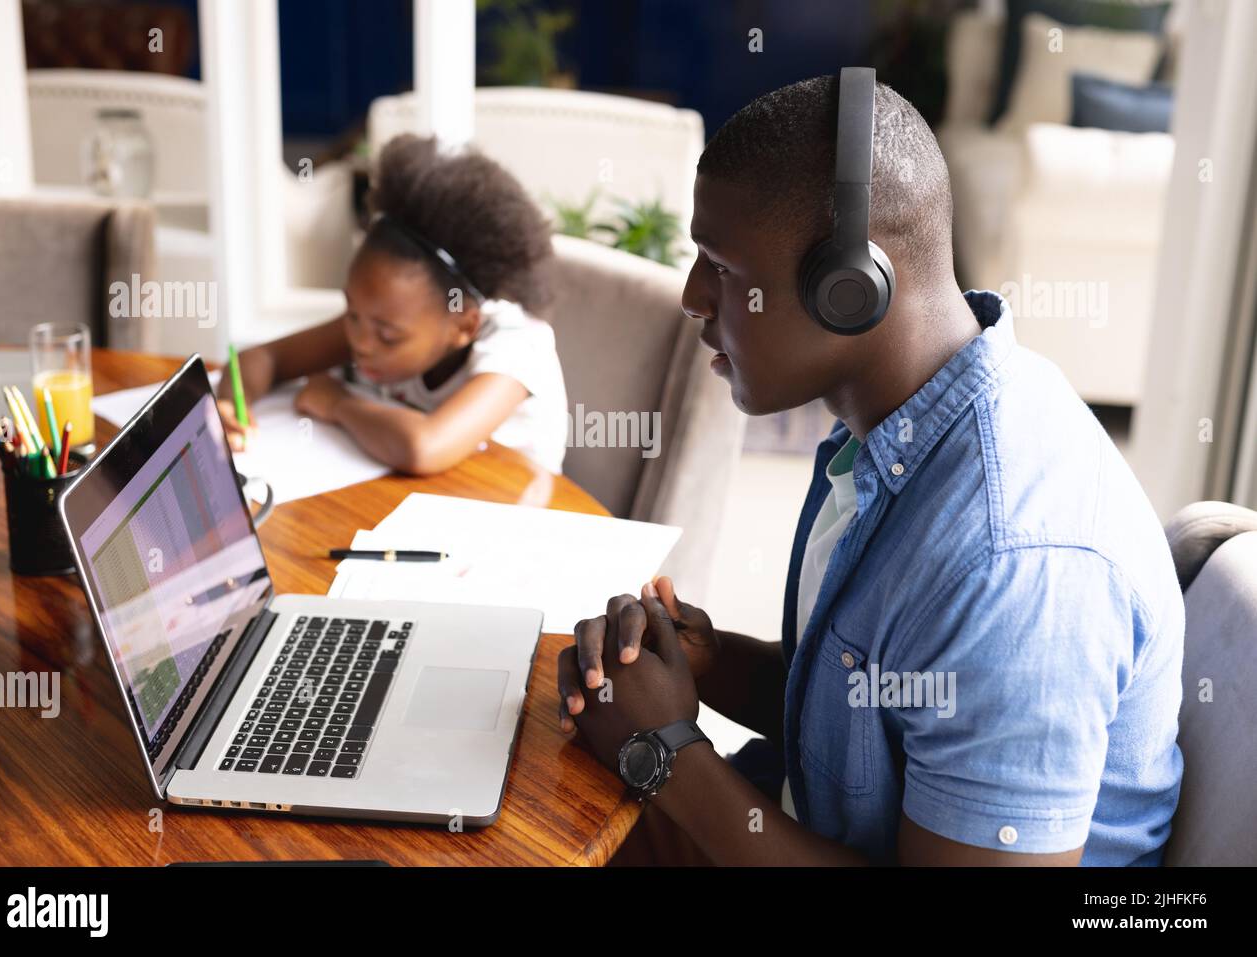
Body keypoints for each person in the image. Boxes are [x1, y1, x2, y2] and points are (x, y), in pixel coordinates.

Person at [558, 75, 1185, 866]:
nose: (691, 297)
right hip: (805, 817)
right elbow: (891, 709)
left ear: (849, 291)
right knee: (520, 772)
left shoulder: (1016, 560)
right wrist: (716, 664)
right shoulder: (899, 433)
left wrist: (664, 753)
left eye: (721, 266)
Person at [219, 133, 568, 475]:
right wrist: (232, 405)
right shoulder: (379, 321)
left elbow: (423, 448)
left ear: (464, 327)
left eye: (388, 336)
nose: (361, 344)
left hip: (515, 514)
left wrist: (339, 404)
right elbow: (262, 358)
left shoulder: (517, 348)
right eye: (352, 314)